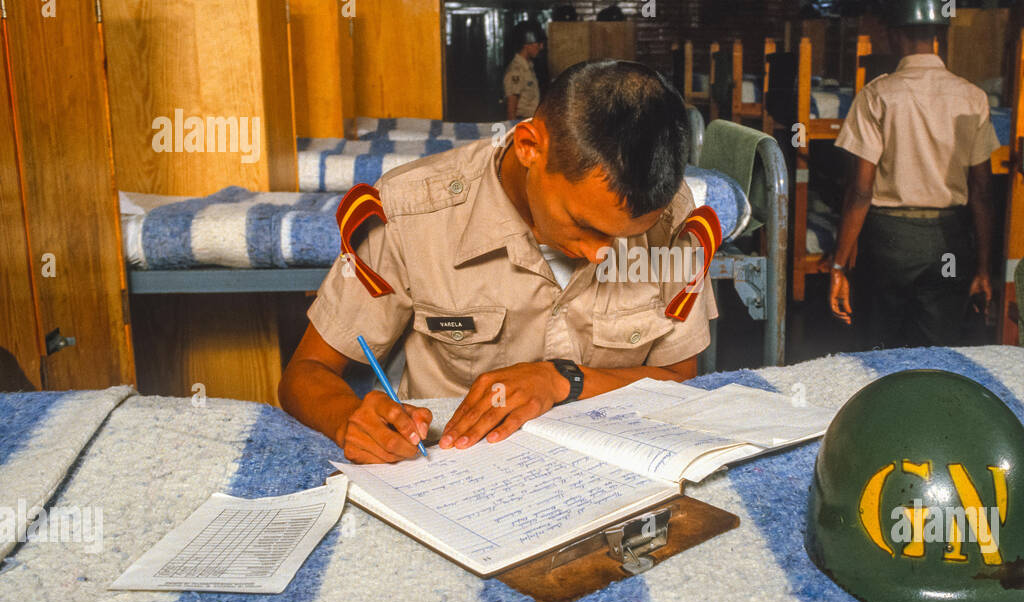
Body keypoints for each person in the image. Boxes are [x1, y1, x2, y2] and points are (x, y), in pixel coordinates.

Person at [280, 60, 717, 464]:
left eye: (624, 236)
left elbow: (680, 375)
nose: (600, 254)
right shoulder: (410, 214)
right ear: (529, 147)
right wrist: (346, 418)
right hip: (455, 474)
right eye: (583, 225)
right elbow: (305, 373)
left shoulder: (674, 223)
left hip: (610, 469)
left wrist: (563, 381)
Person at [827, 0, 997, 348]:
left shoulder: (876, 95)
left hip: (889, 242)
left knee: (881, 353)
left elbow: (860, 190)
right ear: (938, 34)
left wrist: (838, 265)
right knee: (938, 356)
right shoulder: (972, 97)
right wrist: (984, 268)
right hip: (951, 241)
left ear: (894, 34)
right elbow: (982, 191)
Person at [503, 20, 545, 121]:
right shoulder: (516, 71)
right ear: (527, 44)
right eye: (538, 43)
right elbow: (511, 110)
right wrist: (514, 133)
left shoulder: (529, 67)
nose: (541, 47)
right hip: (521, 122)